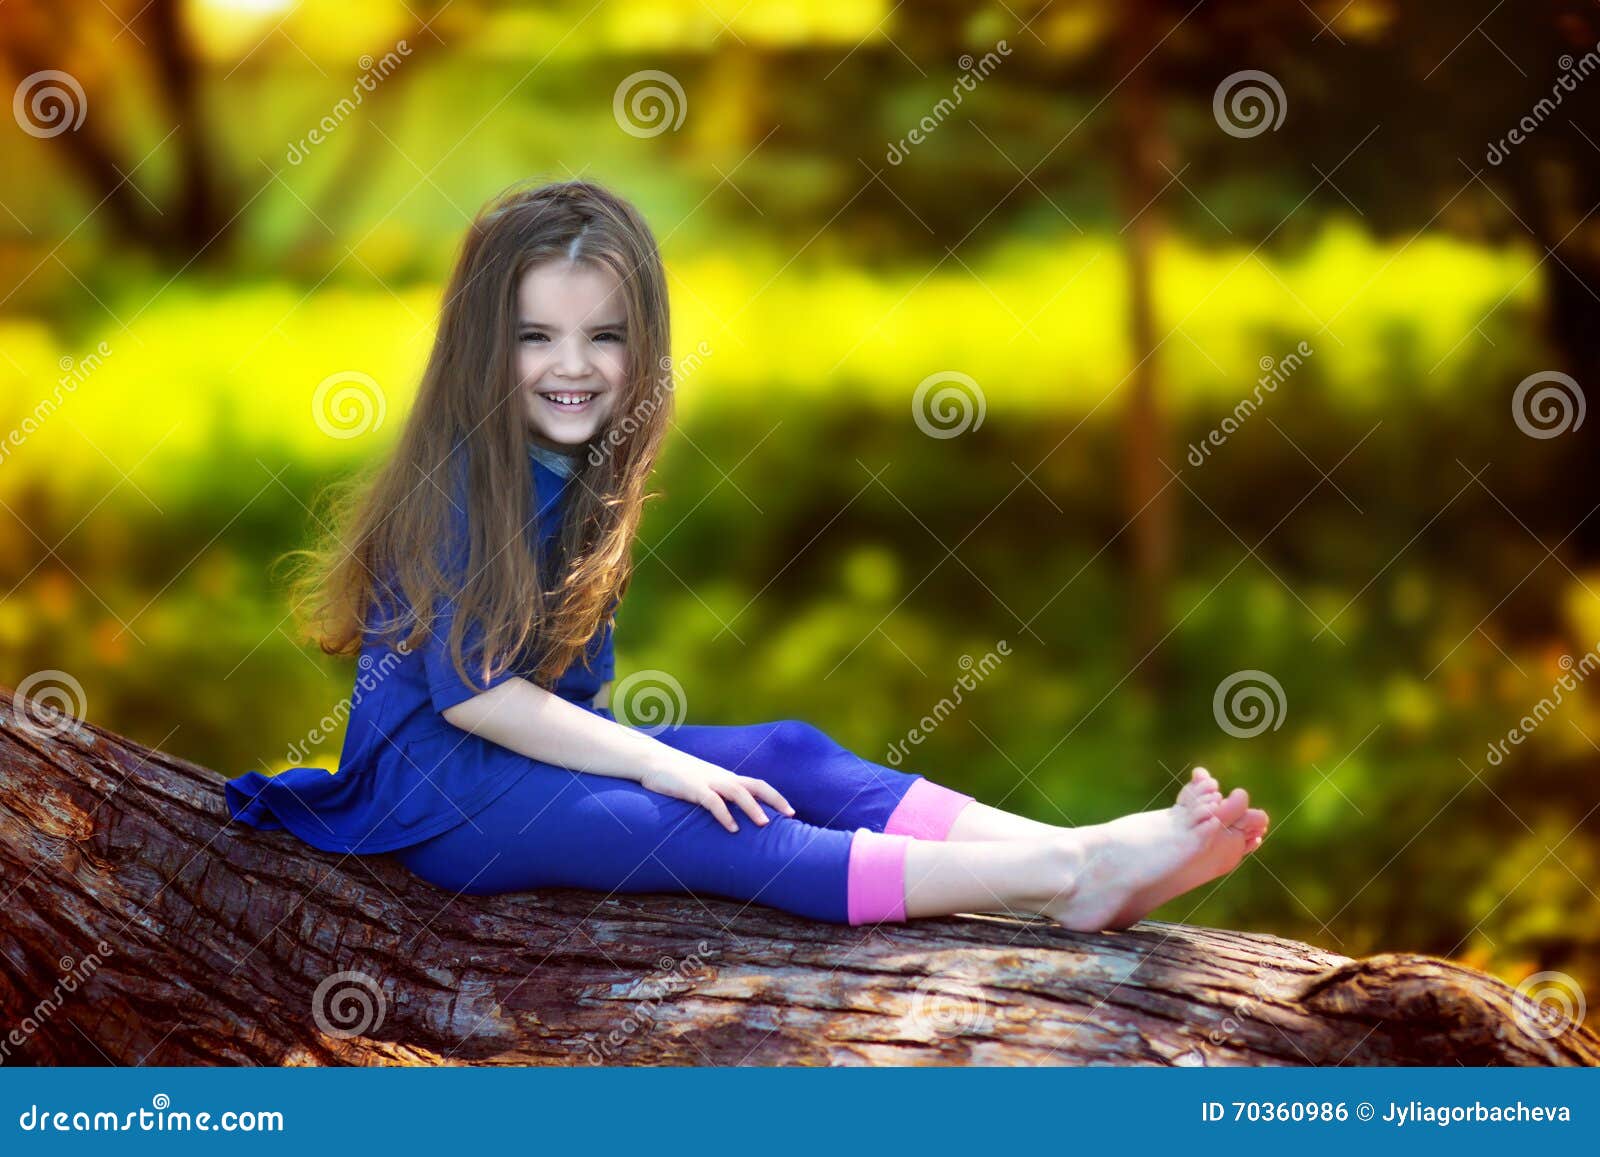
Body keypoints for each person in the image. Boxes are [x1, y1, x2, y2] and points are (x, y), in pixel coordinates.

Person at [224, 178, 1269, 930]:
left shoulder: (589, 469)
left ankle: (1067, 843)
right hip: (436, 792)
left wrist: (667, 763)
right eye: (536, 335)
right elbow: (473, 696)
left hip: (514, 758)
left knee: (786, 755)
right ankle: (1065, 870)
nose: (573, 368)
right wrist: (661, 767)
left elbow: (571, 696)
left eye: (606, 336)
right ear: (479, 345)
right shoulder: (456, 474)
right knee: (712, 827)